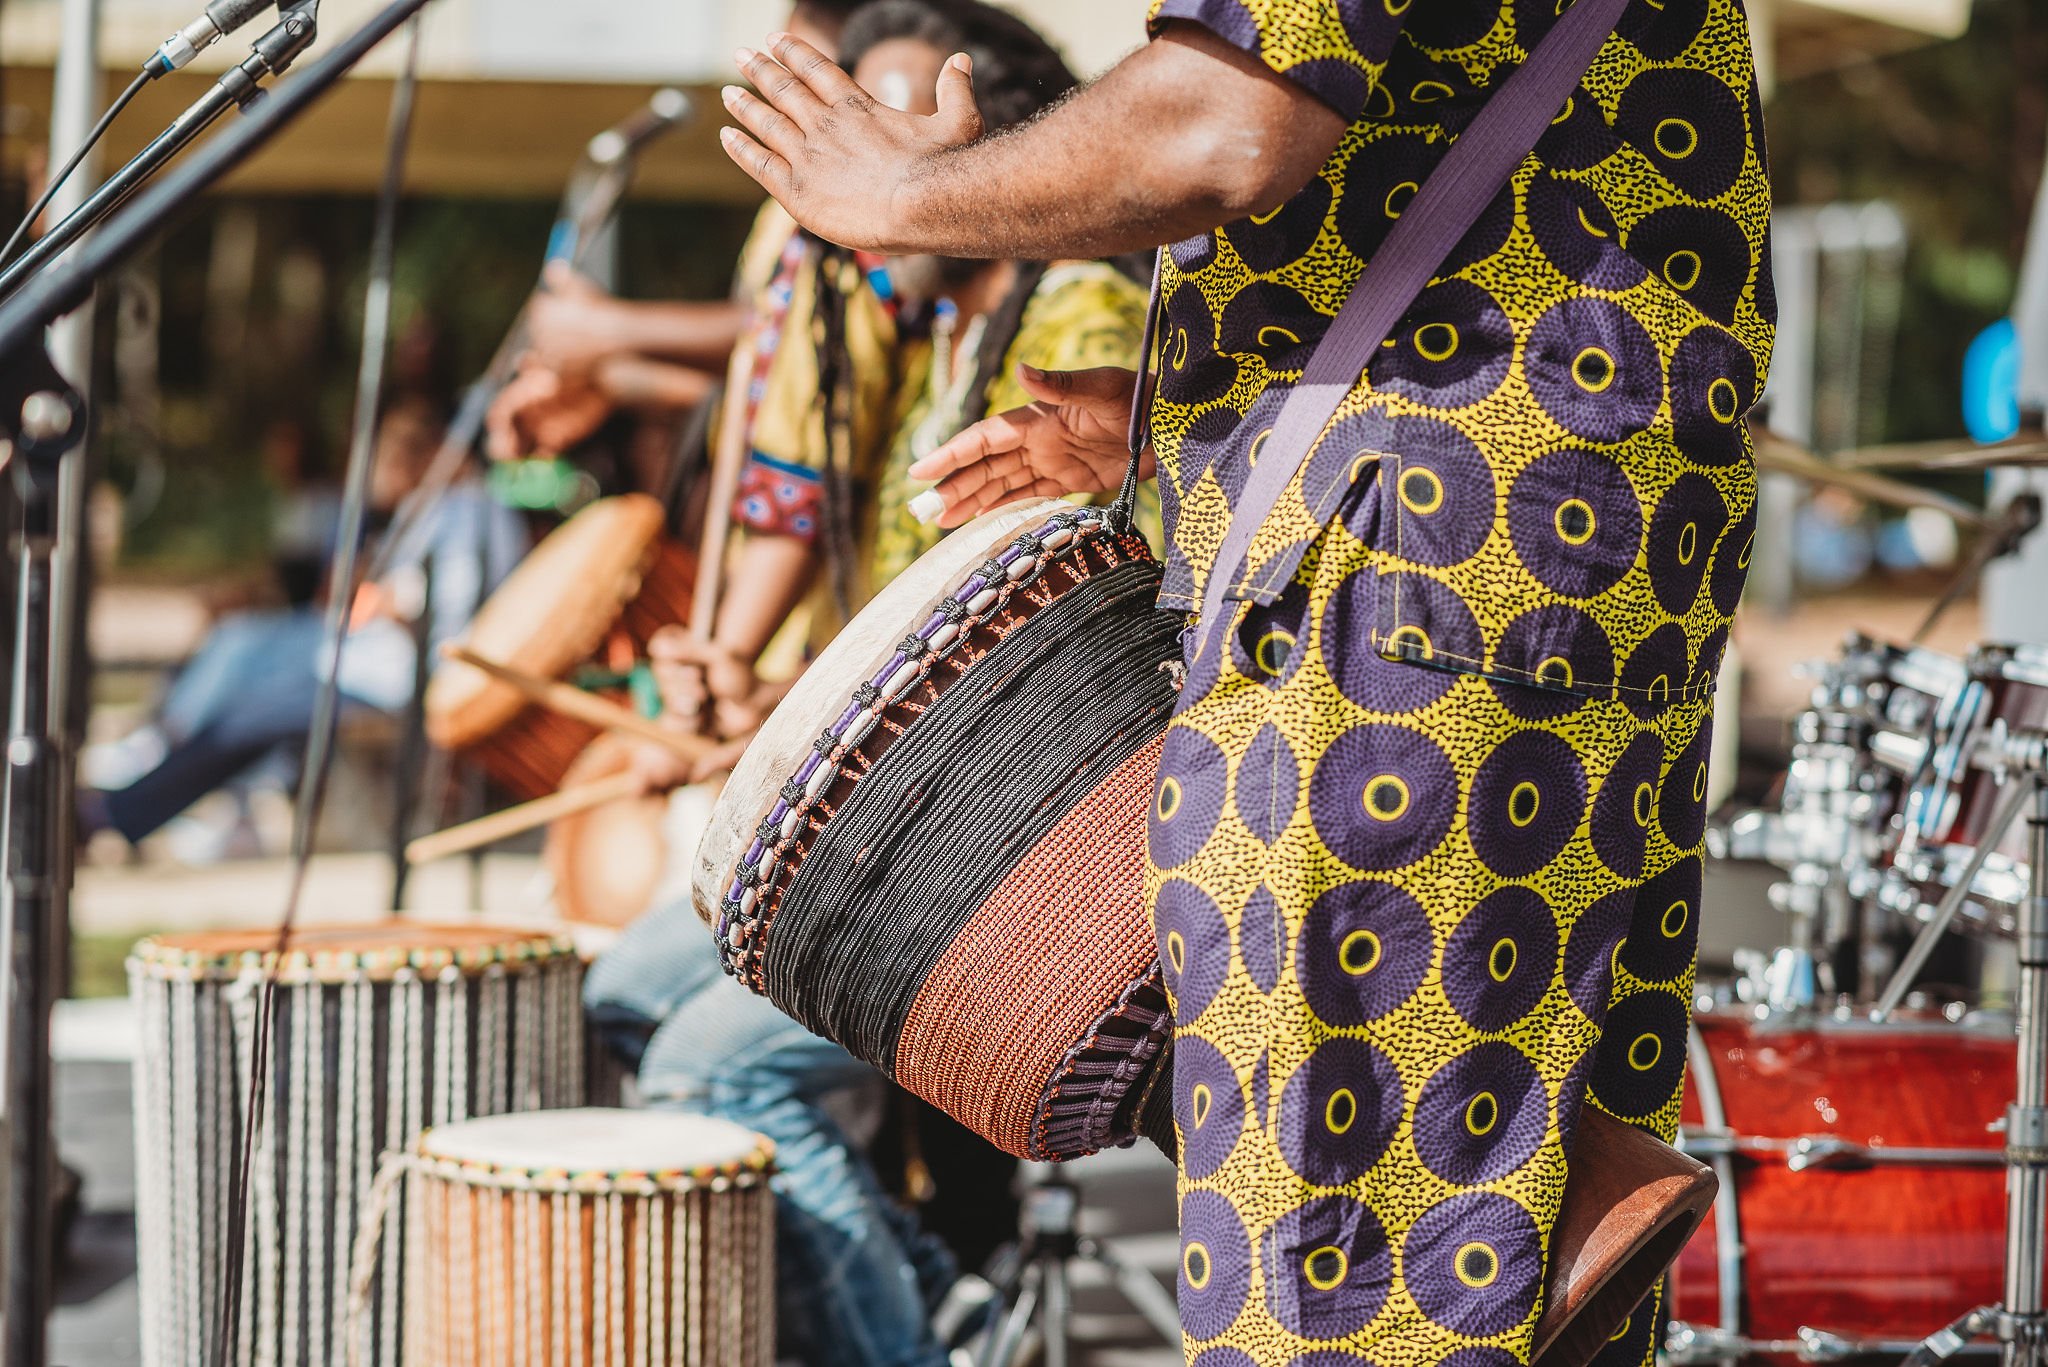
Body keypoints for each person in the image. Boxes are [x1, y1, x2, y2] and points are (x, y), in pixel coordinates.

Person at [719, 6, 1775, 1367]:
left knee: (1352, 1258)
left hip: (1415, 579)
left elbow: (1233, 125)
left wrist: (907, 192)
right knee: (1497, 1217)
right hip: (1501, 548)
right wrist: (1202, 419)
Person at [81, 396, 528, 853]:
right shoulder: (443, 509)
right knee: (243, 680)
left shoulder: (473, 512)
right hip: (370, 664)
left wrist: (383, 598)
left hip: (404, 676)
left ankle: (118, 810)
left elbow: (445, 600)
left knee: (245, 720)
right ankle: (136, 789)